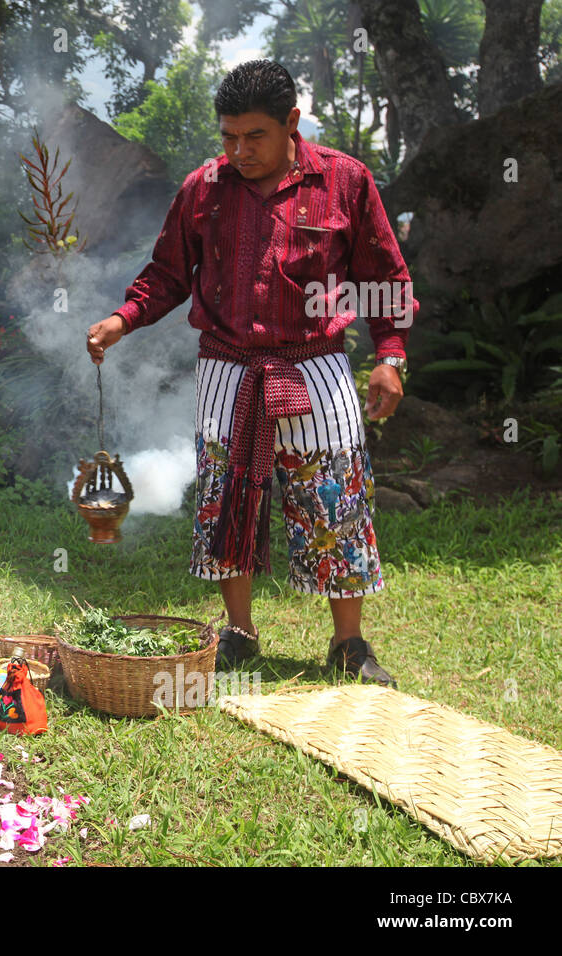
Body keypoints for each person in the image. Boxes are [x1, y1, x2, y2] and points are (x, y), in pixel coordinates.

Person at [86, 60, 415, 687]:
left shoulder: (345, 181)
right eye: (228, 136)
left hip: (316, 370)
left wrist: (391, 357)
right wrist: (122, 319)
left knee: (334, 501)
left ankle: (349, 643)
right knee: (226, 499)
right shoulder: (203, 189)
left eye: (254, 137)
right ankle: (238, 631)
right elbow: (167, 274)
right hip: (228, 372)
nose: (239, 151)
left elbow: (385, 279)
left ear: (292, 122)